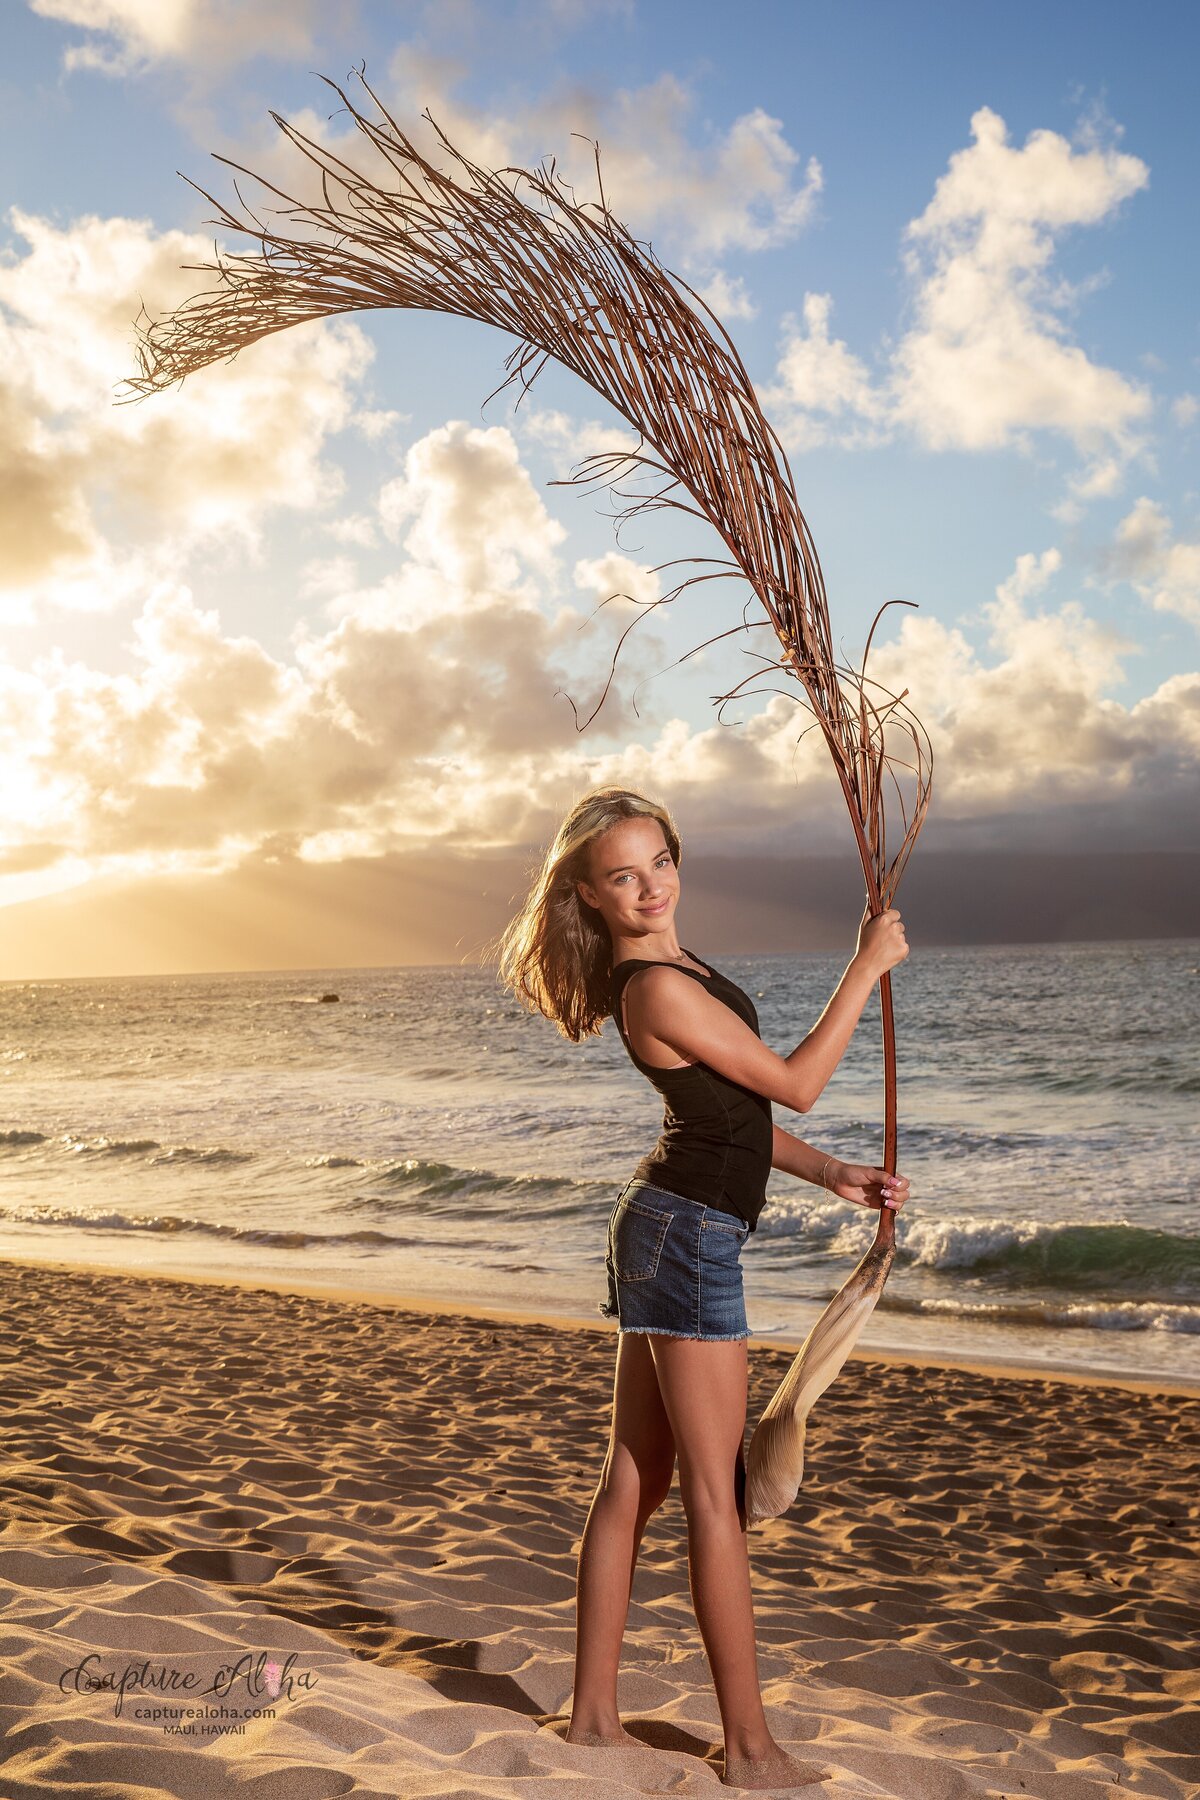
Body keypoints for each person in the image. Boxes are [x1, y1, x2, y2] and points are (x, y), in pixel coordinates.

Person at [496, 785, 910, 1790]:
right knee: (715, 1498)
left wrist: (832, 1173)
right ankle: (752, 1751)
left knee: (634, 1479)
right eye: (622, 877)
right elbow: (796, 1082)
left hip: (668, 1226)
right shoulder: (653, 987)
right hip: (685, 1240)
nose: (650, 887)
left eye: (660, 863)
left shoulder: (681, 967)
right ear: (589, 896)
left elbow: (732, 1117)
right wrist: (865, 967)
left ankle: (594, 1720)